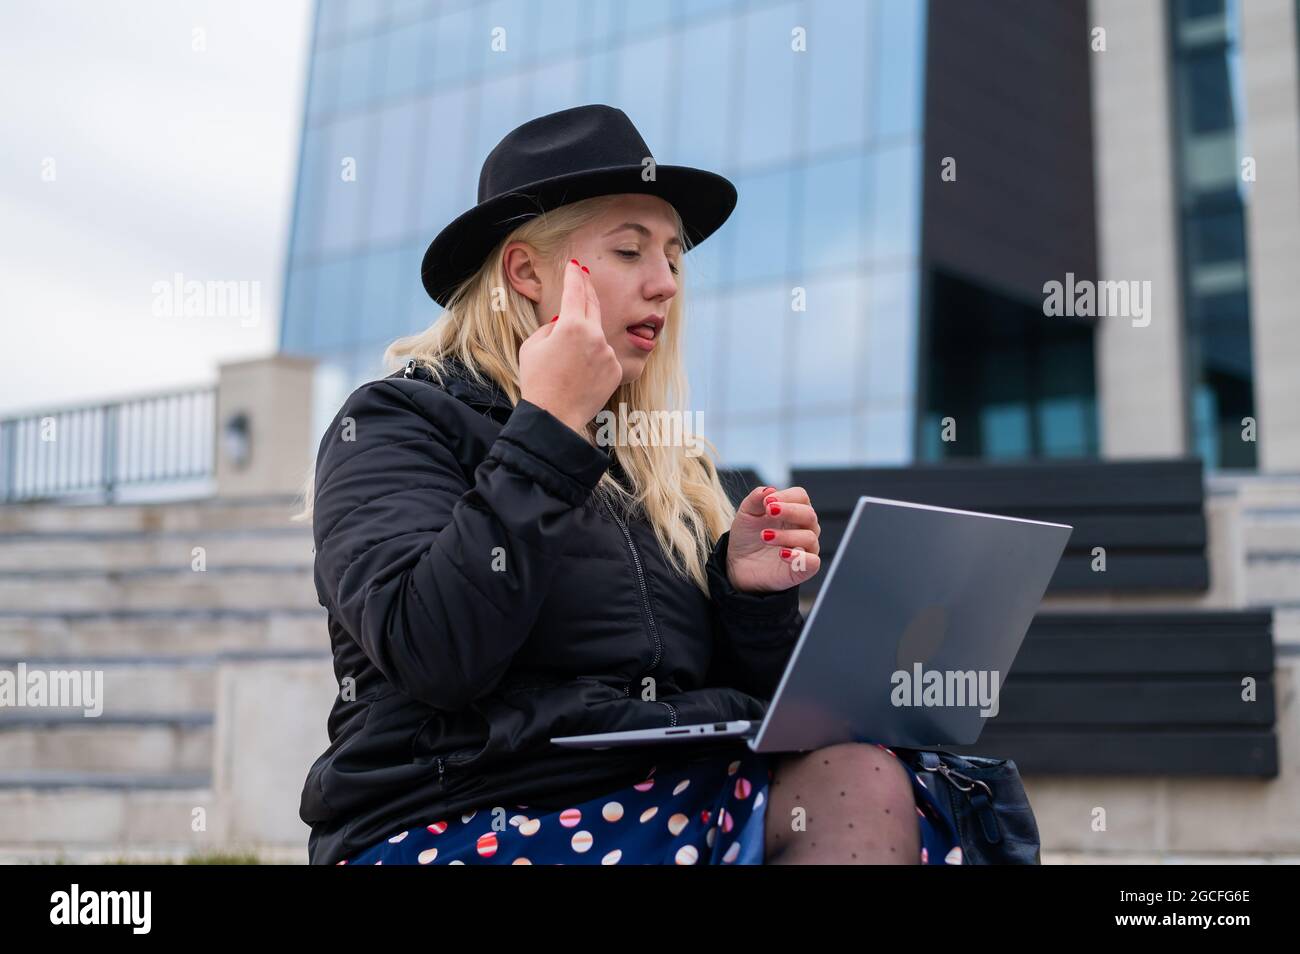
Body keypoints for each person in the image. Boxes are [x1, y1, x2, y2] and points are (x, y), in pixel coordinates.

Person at [295, 104, 960, 865]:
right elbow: (436, 653)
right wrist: (547, 425)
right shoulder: (394, 423)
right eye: (629, 251)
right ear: (526, 272)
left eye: (673, 258)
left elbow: (765, 720)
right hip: (456, 818)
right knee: (857, 785)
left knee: (897, 780)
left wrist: (750, 600)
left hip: (658, 794)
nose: (665, 284)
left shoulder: (670, 467)